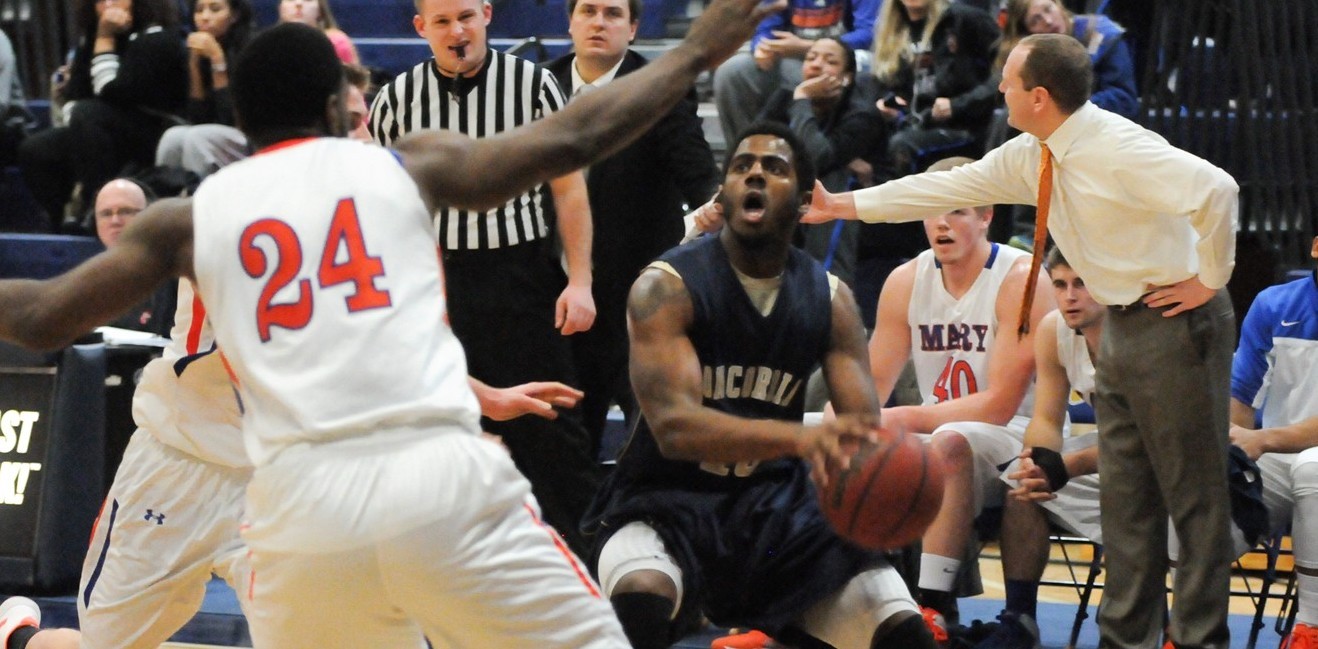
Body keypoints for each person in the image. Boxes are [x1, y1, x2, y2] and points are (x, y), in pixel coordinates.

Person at [0, 2, 782, 644]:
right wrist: (695, 53)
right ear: (341, 102)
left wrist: (477, 388)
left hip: (299, 502)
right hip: (384, 473)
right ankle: (26, 632)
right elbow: (574, 136)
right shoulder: (405, 167)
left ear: (240, 112)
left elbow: (39, 315)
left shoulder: (192, 220)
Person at [803, 32, 1239, 649]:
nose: (997, 87)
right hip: (1116, 319)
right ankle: (1126, 639)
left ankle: (1198, 641)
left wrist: (1209, 279)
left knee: (1191, 497)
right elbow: (944, 189)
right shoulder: (1033, 151)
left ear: (1038, 96)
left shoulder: (1116, 145)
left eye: (1007, 80)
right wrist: (841, 204)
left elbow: (1218, 190)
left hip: (1173, 316)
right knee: (1127, 496)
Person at [582, 121, 937, 649]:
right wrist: (801, 439)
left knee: (902, 632)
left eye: (773, 169)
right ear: (721, 197)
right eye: (741, 166)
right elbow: (676, 428)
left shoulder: (831, 299)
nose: (753, 175)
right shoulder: (665, 287)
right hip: (665, 500)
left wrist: (886, 484)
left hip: (776, 507)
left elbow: (862, 430)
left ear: (800, 203)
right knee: (641, 597)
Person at [369, 0, 602, 556]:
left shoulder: (535, 86)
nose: (458, 31)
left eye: (466, 17)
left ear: (488, 16)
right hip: (435, 282)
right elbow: (380, 208)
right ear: (421, 29)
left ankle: (583, 562)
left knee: (550, 424)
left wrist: (580, 280)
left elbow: (568, 190)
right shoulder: (394, 101)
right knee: (442, 424)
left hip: (521, 274)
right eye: (444, 21)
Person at [859, 156, 1049, 638]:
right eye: (934, 209)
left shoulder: (1020, 278)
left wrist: (898, 419)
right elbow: (868, 390)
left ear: (986, 216)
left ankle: (934, 606)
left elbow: (999, 404)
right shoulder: (905, 280)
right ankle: (816, 605)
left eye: (958, 210)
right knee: (821, 435)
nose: (942, 222)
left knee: (951, 439)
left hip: (1019, 437)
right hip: (938, 436)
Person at [545, 0, 720, 460]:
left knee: (652, 447)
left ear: (634, 28)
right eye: (588, 10)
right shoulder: (537, 86)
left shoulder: (658, 90)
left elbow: (698, 175)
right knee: (564, 449)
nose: (598, 22)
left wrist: (720, 207)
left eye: (612, 13)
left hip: (635, 295)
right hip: (555, 293)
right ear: (570, 22)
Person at [17, 0, 188, 233]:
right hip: (100, 131)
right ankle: (62, 222)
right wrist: (99, 37)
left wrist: (105, 39)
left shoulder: (157, 38)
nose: (109, 5)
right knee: (36, 148)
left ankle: (97, 207)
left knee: (88, 114)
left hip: (156, 133)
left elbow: (113, 90)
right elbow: (75, 94)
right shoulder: (91, 36)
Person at [1228, 235, 1318, 649]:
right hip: (1278, 457)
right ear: (1316, 247)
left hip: (1293, 455)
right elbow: (1240, 398)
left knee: (1312, 468)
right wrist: (1232, 454)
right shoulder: (1273, 305)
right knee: (1209, 477)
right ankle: (1192, 626)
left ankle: (1312, 628)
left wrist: (1261, 439)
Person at [754, 36, 883, 287]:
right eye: (811, 58)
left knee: (835, 179)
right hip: (801, 201)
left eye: (829, 61)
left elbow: (817, 159)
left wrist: (802, 99)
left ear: (846, 77)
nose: (816, 65)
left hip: (870, 213)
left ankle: (826, 292)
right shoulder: (784, 98)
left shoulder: (863, 114)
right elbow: (753, 145)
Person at [712, 0, 878, 147]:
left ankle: (848, 149)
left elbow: (868, 33)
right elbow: (766, 28)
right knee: (733, 71)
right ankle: (747, 152)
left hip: (842, 62)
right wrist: (762, 49)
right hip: (794, 62)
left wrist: (809, 47)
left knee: (867, 63)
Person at [869, 0, 1001, 179]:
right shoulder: (891, 31)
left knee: (902, 145)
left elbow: (1005, 71)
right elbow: (883, 82)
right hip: (915, 122)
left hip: (966, 124)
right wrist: (887, 102)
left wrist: (957, 105)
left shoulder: (965, 19)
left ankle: (911, 206)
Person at [154, 0, 256, 178]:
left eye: (215, 9)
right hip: (213, 133)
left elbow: (230, 119)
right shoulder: (199, 50)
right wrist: (193, 63)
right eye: (199, 10)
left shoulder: (251, 49)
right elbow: (198, 118)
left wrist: (218, 60)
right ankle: (168, 197)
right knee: (173, 137)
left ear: (234, 16)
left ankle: (199, 199)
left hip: (252, 135)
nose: (205, 17)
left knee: (197, 138)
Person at [996, 0, 1138, 120]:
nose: (1048, 21)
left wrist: (1066, 106)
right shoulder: (1030, 55)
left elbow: (1124, 100)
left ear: (1058, 4)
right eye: (1035, 20)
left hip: (1098, 126)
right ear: (1027, 32)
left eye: (1048, 9)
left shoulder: (1102, 34)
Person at [92, 178, 178, 336]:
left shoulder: (177, 274)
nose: (115, 221)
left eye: (125, 211)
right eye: (106, 214)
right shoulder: (90, 278)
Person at [277, 0, 358, 64]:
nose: (298, 3)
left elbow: (351, 80)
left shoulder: (337, 42)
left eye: (308, 0)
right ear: (280, 8)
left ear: (320, 9)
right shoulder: (270, 44)